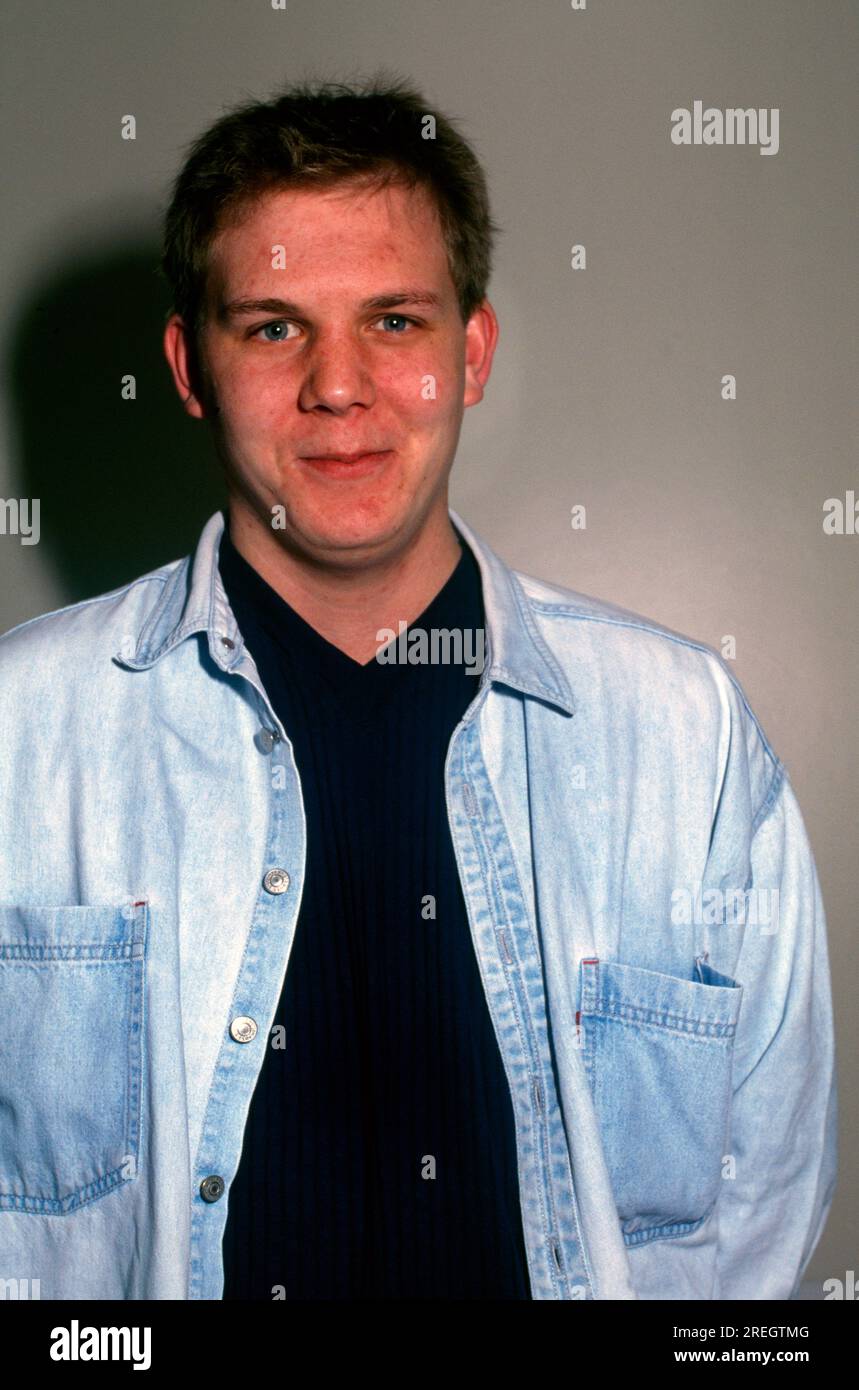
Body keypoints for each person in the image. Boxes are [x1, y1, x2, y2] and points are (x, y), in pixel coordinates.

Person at [0, 76, 837, 1301]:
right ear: (188, 366)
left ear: (472, 351)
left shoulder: (684, 735)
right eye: (274, 325)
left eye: (393, 321)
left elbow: (762, 1204)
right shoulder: (22, 734)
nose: (339, 386)